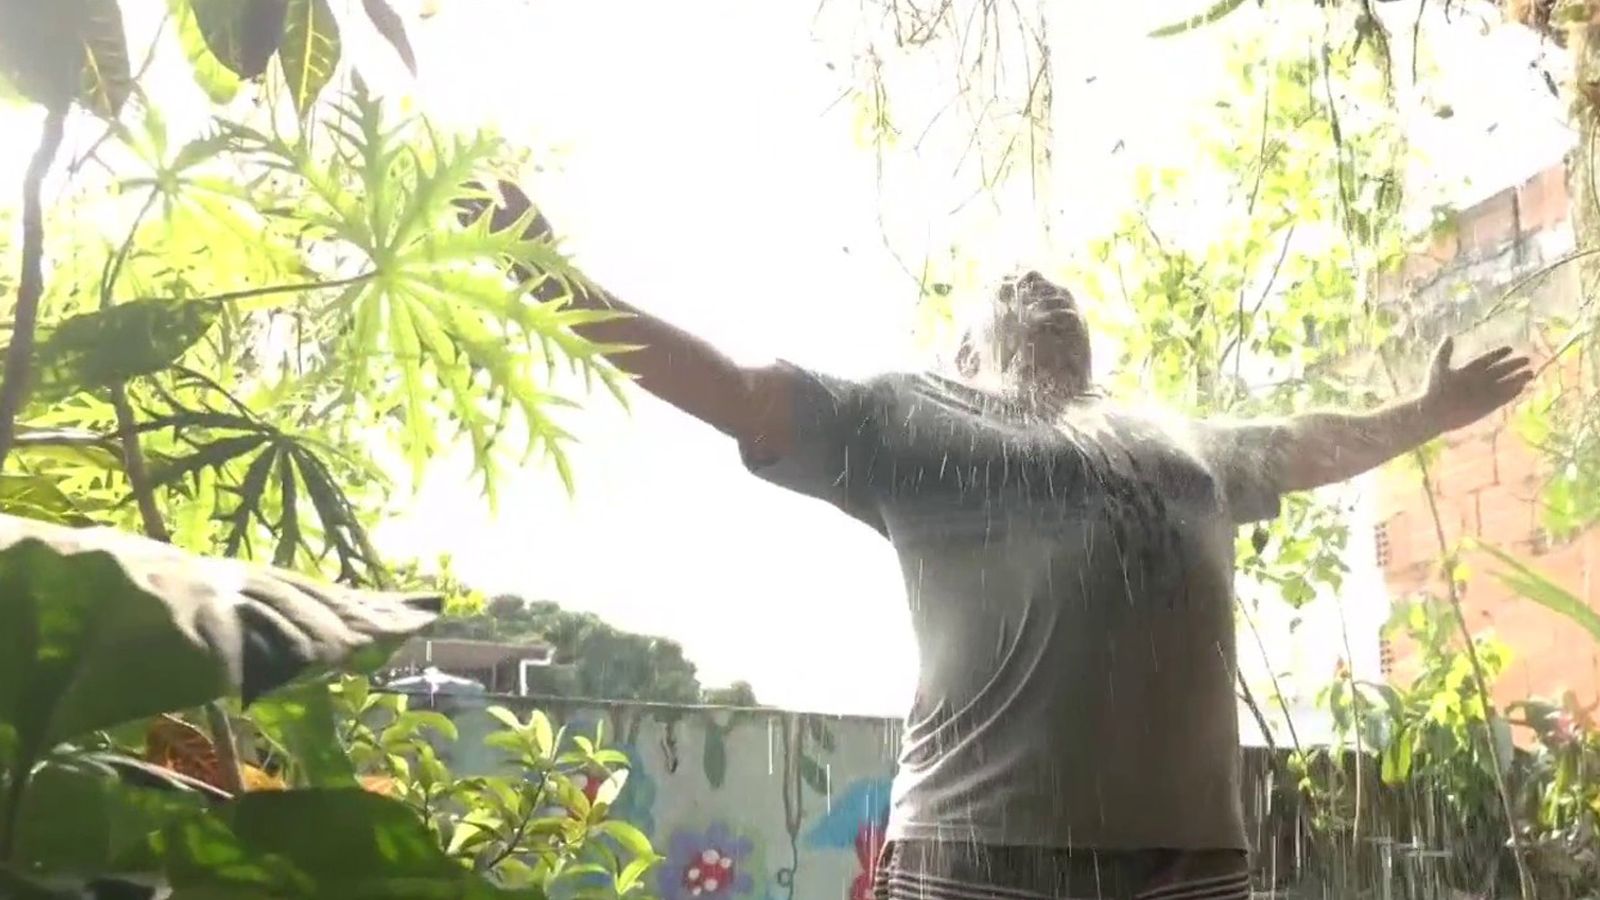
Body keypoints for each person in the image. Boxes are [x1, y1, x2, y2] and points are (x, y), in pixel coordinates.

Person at [464, 182, 1534, 900]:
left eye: (1056, 294)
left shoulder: (1172, 439)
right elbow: (729, 389)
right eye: (1005, 298)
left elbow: (1308, 444)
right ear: (964, 353)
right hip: (981, 863)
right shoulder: (907, 415)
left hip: (1189, 864)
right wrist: (549, 275)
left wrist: (1421, 416)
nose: (1035, 287)